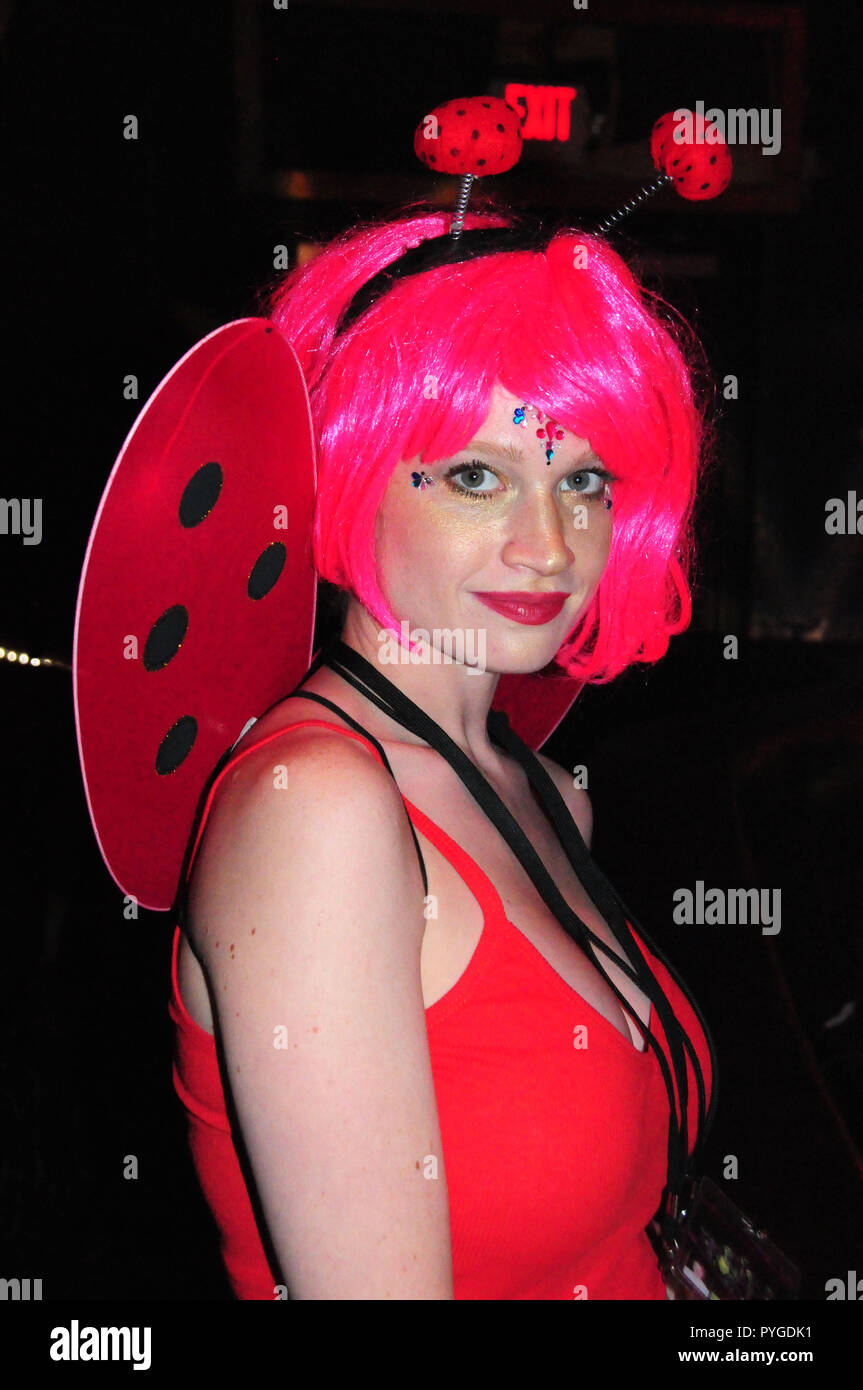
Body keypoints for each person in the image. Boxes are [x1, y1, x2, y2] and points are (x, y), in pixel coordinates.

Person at [168, 205, 715, 1300]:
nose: (548, 544)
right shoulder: (316, 810)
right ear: (356, 470)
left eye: (583, 481)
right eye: (475, 476)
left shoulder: (541, 791)